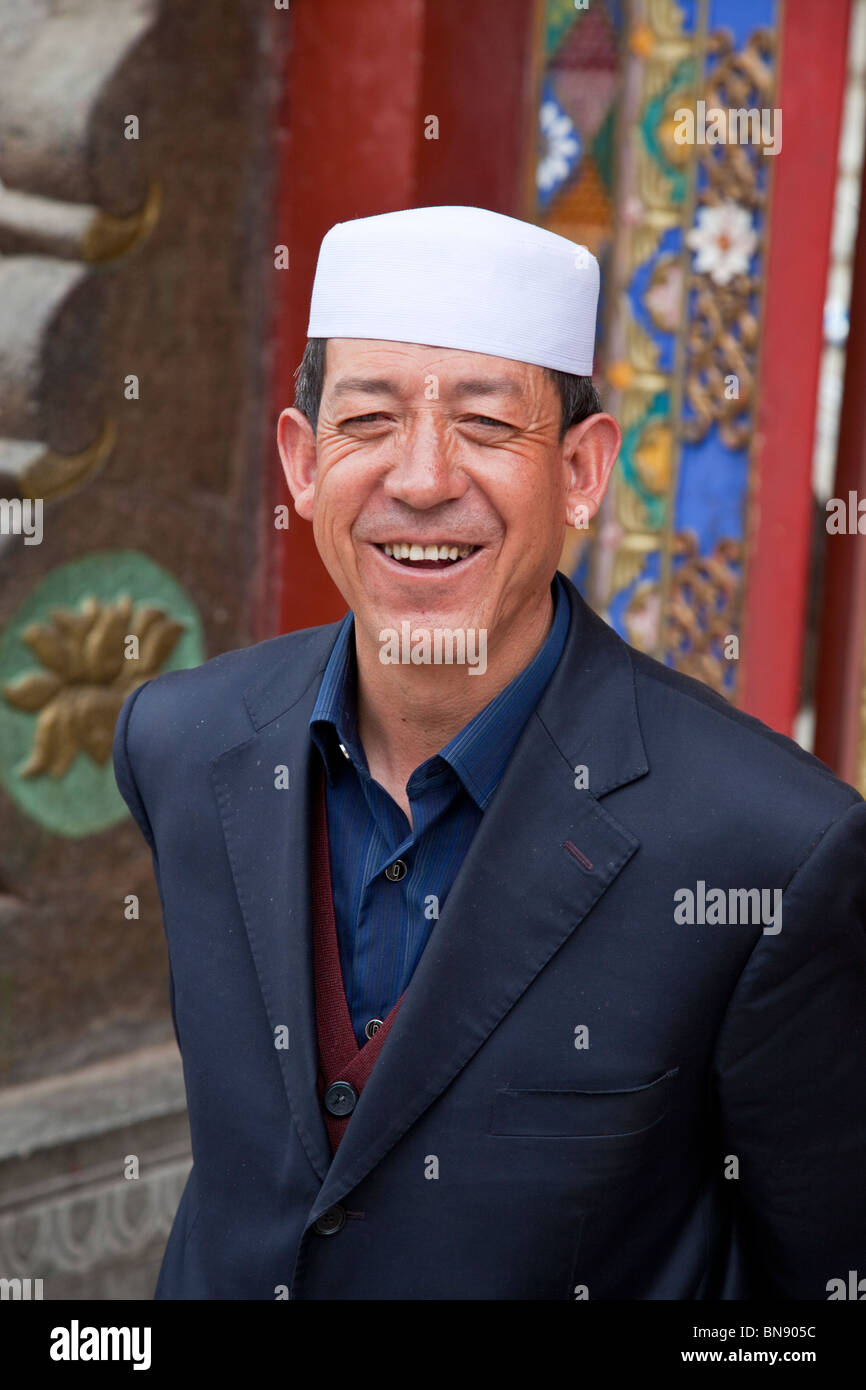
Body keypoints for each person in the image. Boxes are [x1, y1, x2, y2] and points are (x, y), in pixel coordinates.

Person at [113, 205, 866, 1300]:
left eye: (484, 425)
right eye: (366, 420)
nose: (420, 479)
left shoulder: (768, 849)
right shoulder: (180, 743)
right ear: (301, 460)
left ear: (579, 471)